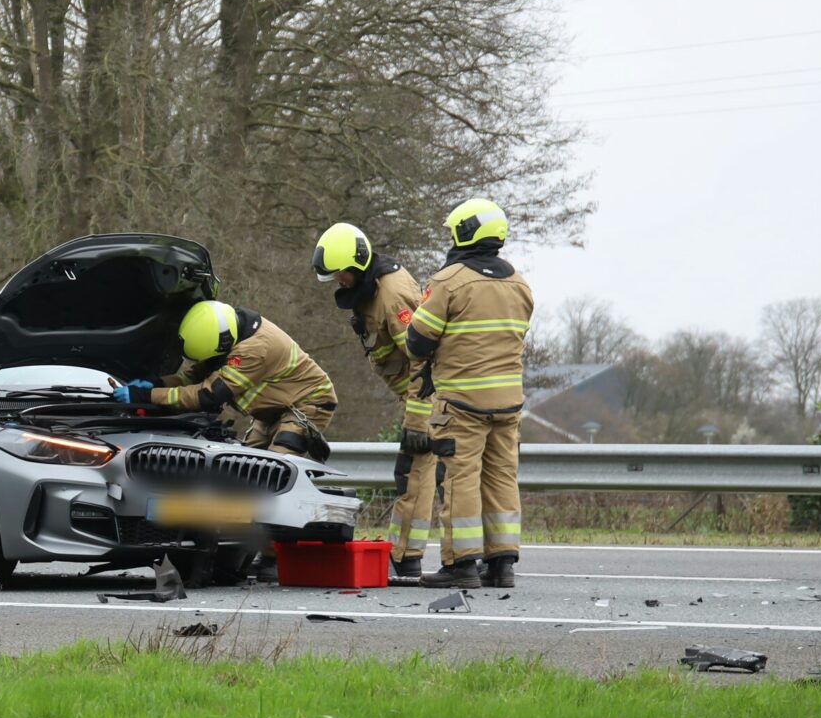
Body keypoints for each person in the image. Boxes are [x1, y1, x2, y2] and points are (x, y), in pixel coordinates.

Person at [404, 197, 534, 588]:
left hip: (462, 403)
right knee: (501, 478)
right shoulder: (519, 283)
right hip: (509, 402)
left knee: (460, 479)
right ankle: (502, 565)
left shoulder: (449, 281)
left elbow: (418, 340)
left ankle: (461, 565)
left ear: (464, 232)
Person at [314, 221, 436, 580]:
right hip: (415, 397)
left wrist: (417, 418)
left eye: (341, 275)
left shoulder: (393, 296)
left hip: (428, 397)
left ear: (359, 263)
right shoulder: (372, 288)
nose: (339, 282)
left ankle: (408, 556)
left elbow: (424, 361)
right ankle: (409, 555)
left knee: (414, 472)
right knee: (417, 473)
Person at [116, 300, 336, 458]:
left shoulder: (253, 351)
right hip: (272, 411)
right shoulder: (226, 331)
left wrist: (147, 395)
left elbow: (207, 395)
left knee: (278, 467)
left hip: (308, 404)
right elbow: (193, 376)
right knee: (247, 463)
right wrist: (158, 383)